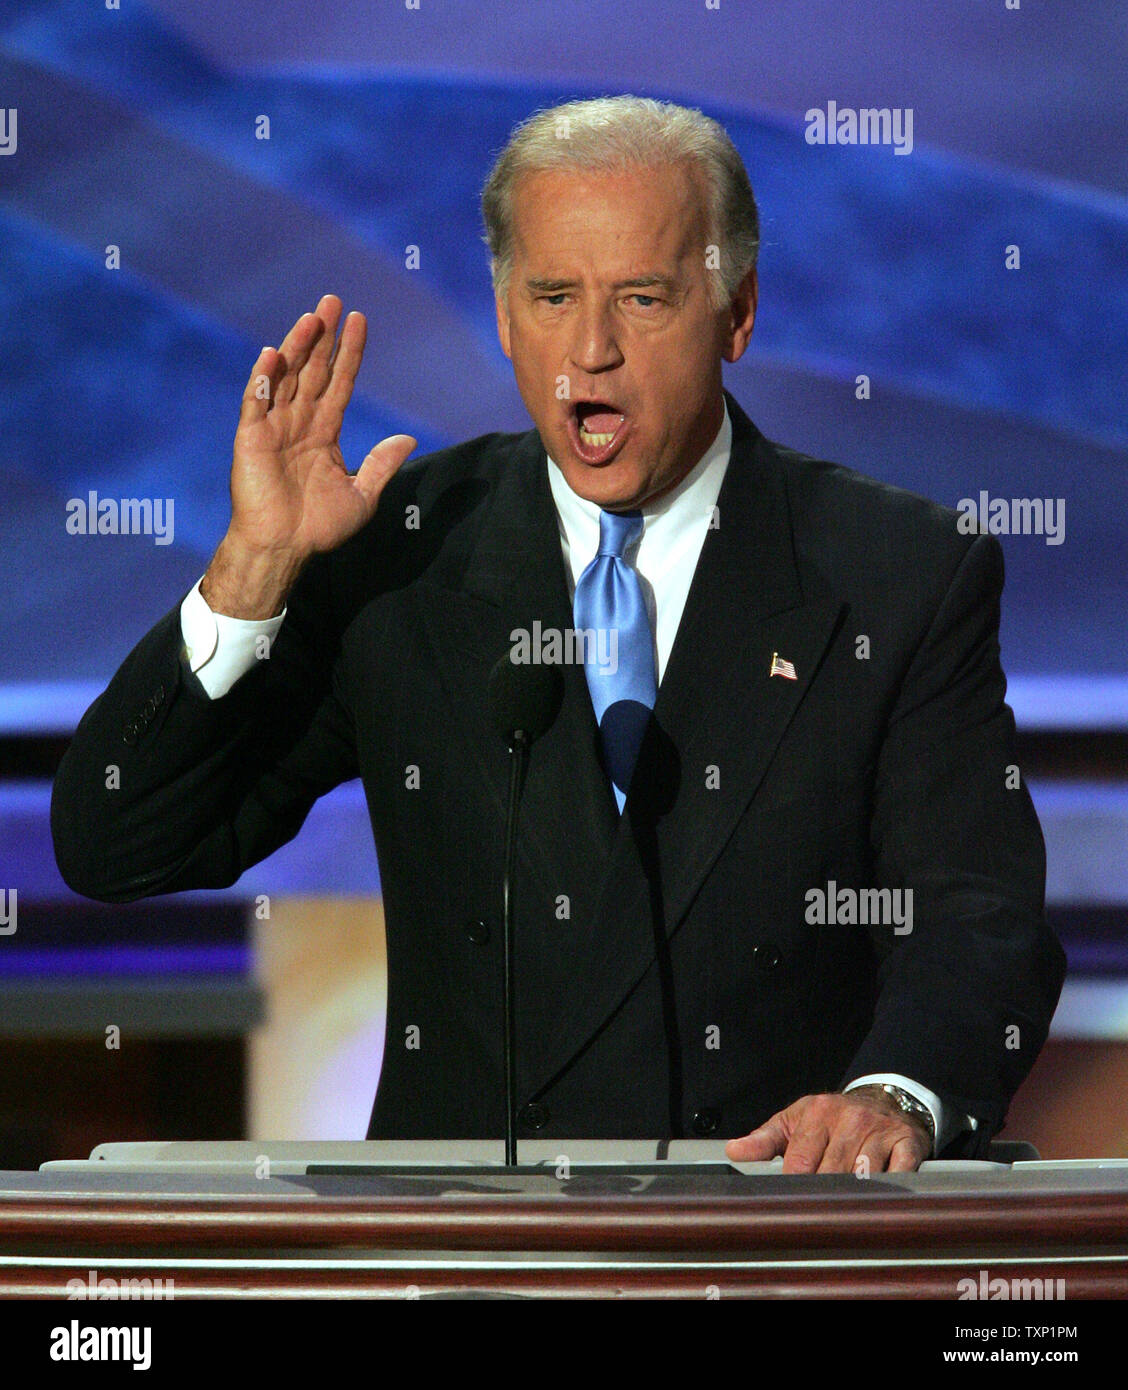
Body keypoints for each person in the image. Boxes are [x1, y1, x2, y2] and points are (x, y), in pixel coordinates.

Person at [51, 96, 1065, 1172]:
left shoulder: (894, 572)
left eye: (642, 296)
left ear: (737, 309)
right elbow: (119, 845)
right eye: (551, 296)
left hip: (769, 1244)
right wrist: (255, 566)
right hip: (470, 1260)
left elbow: (973, 914)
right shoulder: (403, 554)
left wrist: (893, 1095)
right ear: (502, 314)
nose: (592, 349)